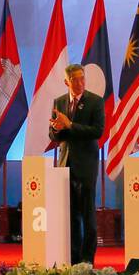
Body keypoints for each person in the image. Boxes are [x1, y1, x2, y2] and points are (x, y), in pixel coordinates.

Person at [49, 64, 105, 264]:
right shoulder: (60, 101)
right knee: (70, 216)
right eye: (75, 79)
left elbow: (97, 131)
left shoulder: (95, 102)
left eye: (82, 78)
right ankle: (73, 260)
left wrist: (70, 125)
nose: (80, 83)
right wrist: (57, 129)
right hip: (66, 164)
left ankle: (88, 261)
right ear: (67, 82)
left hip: (86, 164)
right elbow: (54, 135)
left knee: (88, 215)